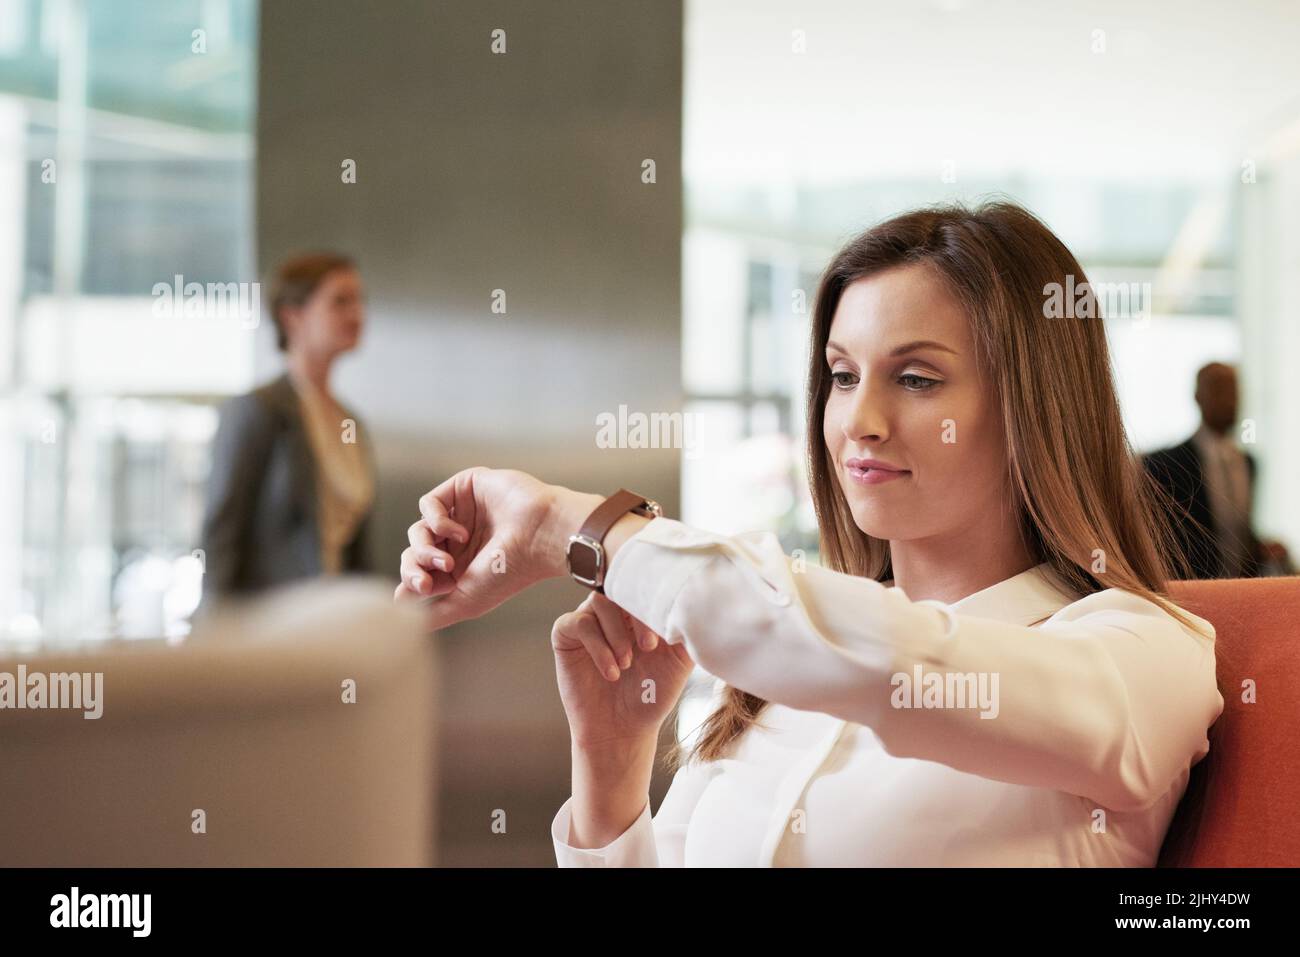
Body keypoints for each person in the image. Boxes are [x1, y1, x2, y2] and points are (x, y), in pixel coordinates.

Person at [395, 203, 1223, 867]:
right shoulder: (774, 686)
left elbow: (902, 665)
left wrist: (567, 527)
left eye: (916, 378)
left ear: (1032, 409)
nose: (859, 420)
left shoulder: (1147, 656)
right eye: (842, 374)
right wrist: (611, 773)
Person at [198, 252, 375, 609]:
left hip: (334, 620)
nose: (357, 314)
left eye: (359, 300)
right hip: (268, 624)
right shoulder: (256, 410)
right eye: (340, 301)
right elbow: (221, 534)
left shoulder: (350, 423)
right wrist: (215, 630)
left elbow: (357, 551)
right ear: (292, 316)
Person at [1143, 362, 1290, 579]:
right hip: (1191, 588)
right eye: (1219, 389)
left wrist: (1263, 550)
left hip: (1240, 588)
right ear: (1198, 396)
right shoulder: (1166, 464)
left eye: (1234, 390)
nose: (1229, 399)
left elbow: (1238, 533)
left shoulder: (1248, 463)